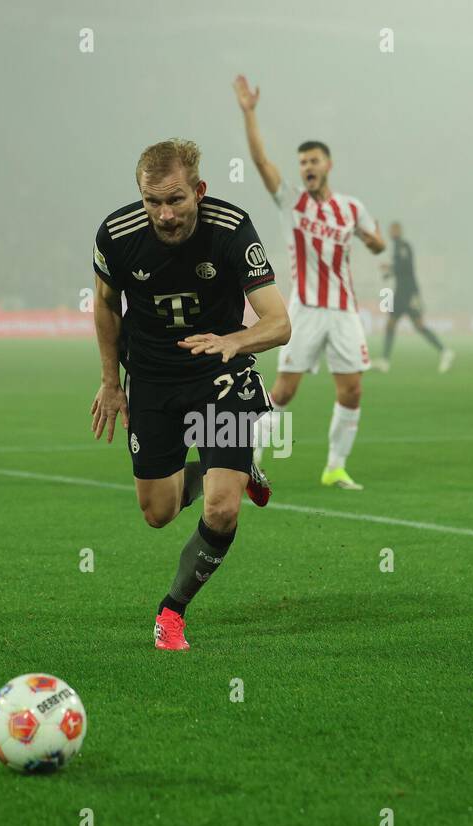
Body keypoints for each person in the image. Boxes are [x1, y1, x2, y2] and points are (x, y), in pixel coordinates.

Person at [89, 139, 291, 651]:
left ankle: (172, 612)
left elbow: (279, 322)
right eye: (152, 201)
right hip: (153, 380)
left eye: (176, 199)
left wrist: (234, 341)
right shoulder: (116, 235)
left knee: (222, 510)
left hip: (218, 378)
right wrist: (112, 383)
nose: (164, 213)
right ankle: (235, 471)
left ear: (199, 191)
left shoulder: (231, 228)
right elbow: (106, 306)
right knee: (157, 512)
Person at [235, 74, 385, 490]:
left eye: (314, 161)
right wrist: (250, 113)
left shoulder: (350, 208)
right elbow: (263, 163)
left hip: (344, 312)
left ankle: (335, 466)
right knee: (283, 391)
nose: (307, 167)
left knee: (352, 390)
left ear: (328, 164)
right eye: (302, 163)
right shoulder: (292, 202)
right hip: (303, 309)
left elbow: (376, 241)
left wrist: (374, 241)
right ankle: (250, 458)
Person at [377, 221, 454, 373]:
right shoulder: (396, 248)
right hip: (400, 292)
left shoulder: (403, 246)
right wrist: (390, 272)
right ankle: (384, 361)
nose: (392, 232)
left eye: (395, 229)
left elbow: (405, 267)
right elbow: (401, 269)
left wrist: (390, 268)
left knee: (418, 325)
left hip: (409, 292)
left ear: (399, 231)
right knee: (390, 324)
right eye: (391, 229)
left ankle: (445, 351)